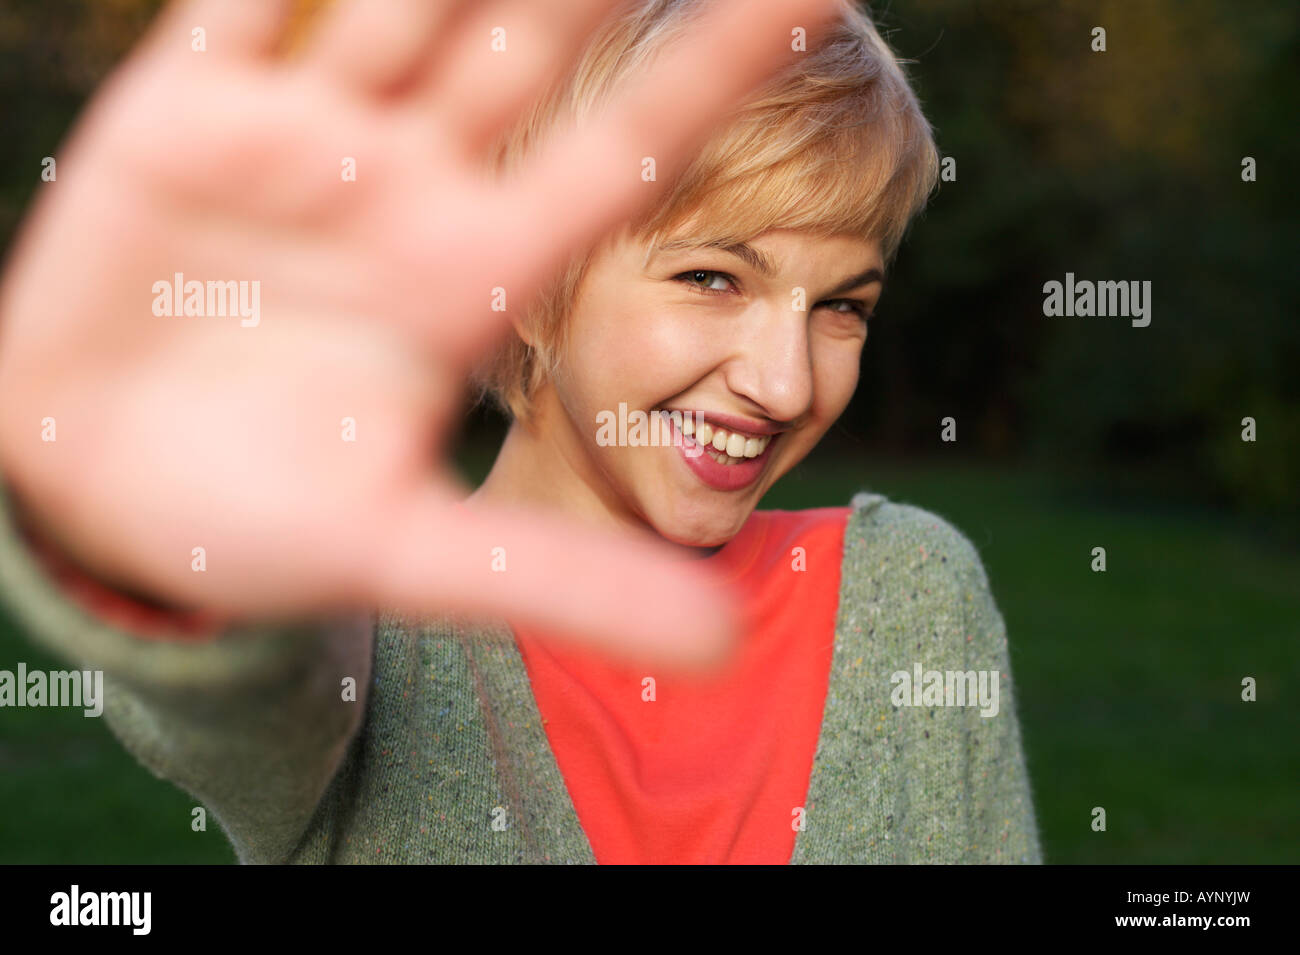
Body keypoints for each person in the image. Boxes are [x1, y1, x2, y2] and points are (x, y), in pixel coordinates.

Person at [0, 0, 1041, 863]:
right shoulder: (374, 642)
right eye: (712, 277)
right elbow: (241, 691)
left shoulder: (912, 600)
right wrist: (170, 529)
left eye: (842, 305)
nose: (782, 381)